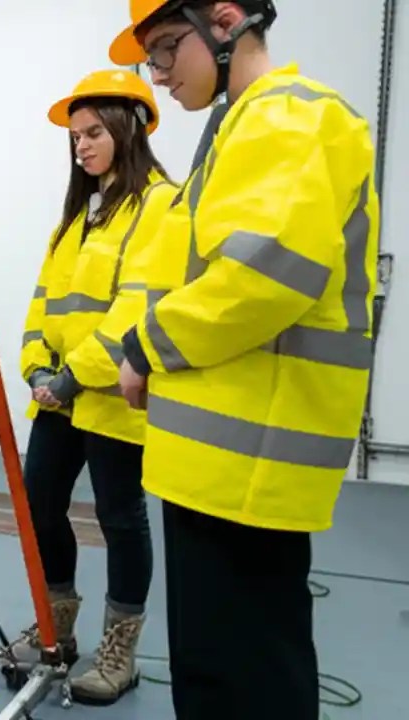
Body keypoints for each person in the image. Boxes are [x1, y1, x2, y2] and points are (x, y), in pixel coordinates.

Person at [107, 2, 380, 717]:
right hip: (219, 464)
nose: (160, 75)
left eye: (167, 49)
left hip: (247, 466)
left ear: (224, 20)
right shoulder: (238, 129)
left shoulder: (288, 115)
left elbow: (264, 275)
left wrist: (145, 345)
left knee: (246, 680)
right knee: (215, 674)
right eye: (152, 59)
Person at [14, 68, 178, 705]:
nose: (81, 146)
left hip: (111, 395)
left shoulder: (158, 204)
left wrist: (72, 376)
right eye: (75, 137)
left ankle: (120, 654)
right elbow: (43, 302)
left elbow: (135, 307)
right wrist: (36, 367)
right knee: (40, 507)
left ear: (128, 129)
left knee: (120, 520)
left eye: (93, 133)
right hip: (59, 394)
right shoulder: (78, 216)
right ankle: (57, 629)